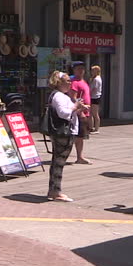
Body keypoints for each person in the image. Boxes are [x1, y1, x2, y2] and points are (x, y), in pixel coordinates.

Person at [47, 71, 87, 202]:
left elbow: (69, 112)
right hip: (62, 132)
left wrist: (78, 108)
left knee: (57, 162)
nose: (70, 83)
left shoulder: (62, 96)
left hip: (65, 131)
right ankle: (55, 191)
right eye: (67, 81)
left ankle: (53, 190)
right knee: (59, 162)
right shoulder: (58, 96)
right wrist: (75, 106)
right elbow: (63, 113)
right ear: (59, 83)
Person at [69, 61, 92, 164]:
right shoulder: (74, 82)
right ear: (74, 70)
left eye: (82, 68)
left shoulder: (84, 81)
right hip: (79, 112)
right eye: (78, 68)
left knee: (81, 136)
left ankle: (80, 156)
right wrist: (80, 111)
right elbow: (73, 98)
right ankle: (79, 157)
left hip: (86, 112)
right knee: (78, 136)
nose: (81, 70)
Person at [89, 65, 103, 133]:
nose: (91, 72)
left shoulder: (96, 79)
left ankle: (96, 128)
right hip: (92, 97)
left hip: (95, 97)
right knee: (90, 113)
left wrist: (89, 92)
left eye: (93, 70)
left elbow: (94, 88)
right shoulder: (94, 78)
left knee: (95, 113)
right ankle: (91, 127)